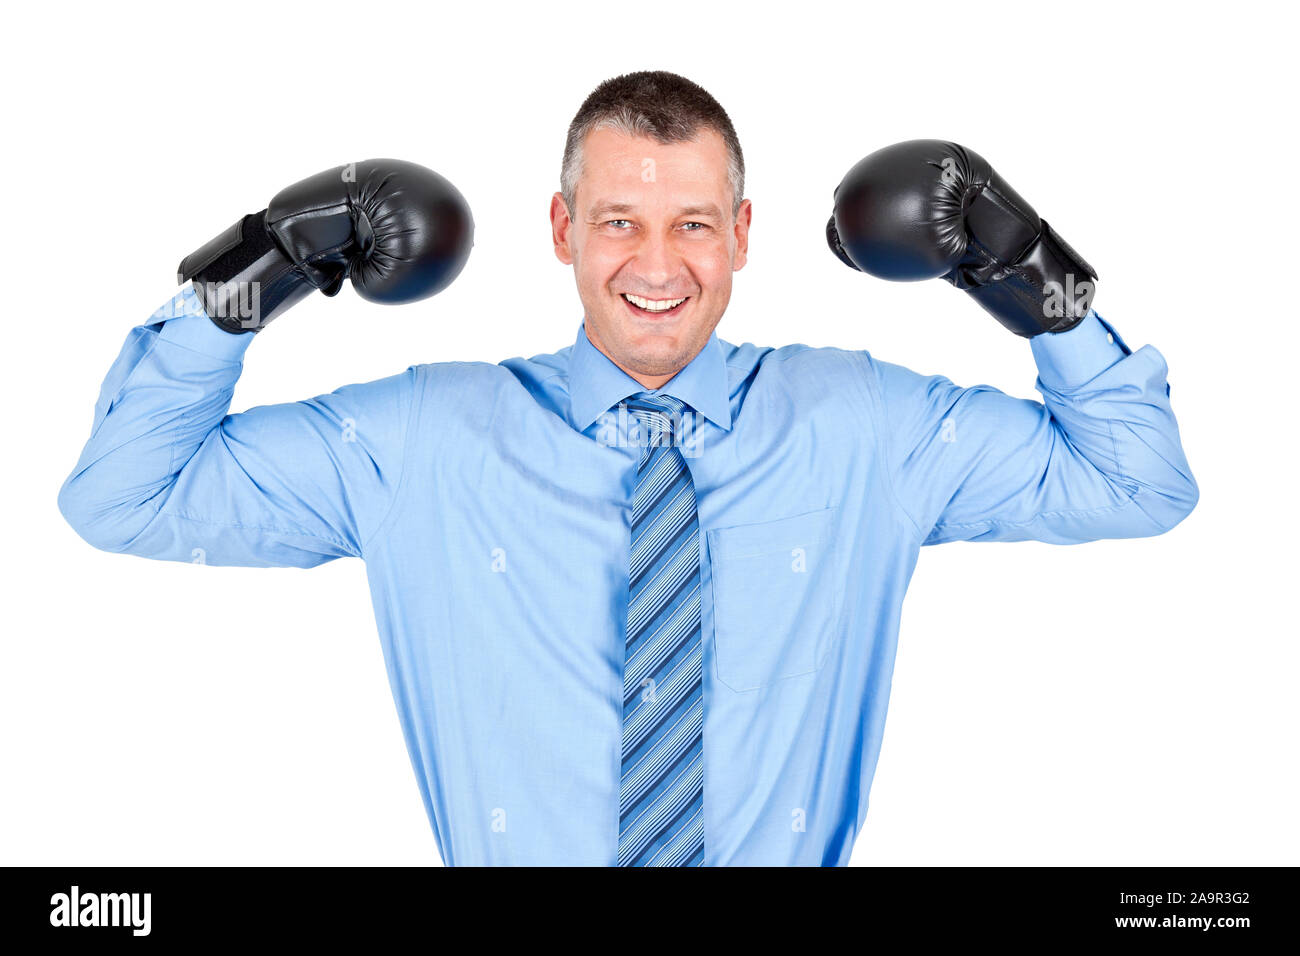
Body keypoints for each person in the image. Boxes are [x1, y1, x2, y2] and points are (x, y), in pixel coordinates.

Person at [58, 71, 1197, 866]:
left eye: (694, 224)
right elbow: (124, 495)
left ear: (743, 234)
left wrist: (1026, 269)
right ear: (561, 229)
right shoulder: (424, 436)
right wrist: (258, 265)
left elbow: (1139, 479)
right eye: (617, 221)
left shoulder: (864, 422)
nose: (657, 265)